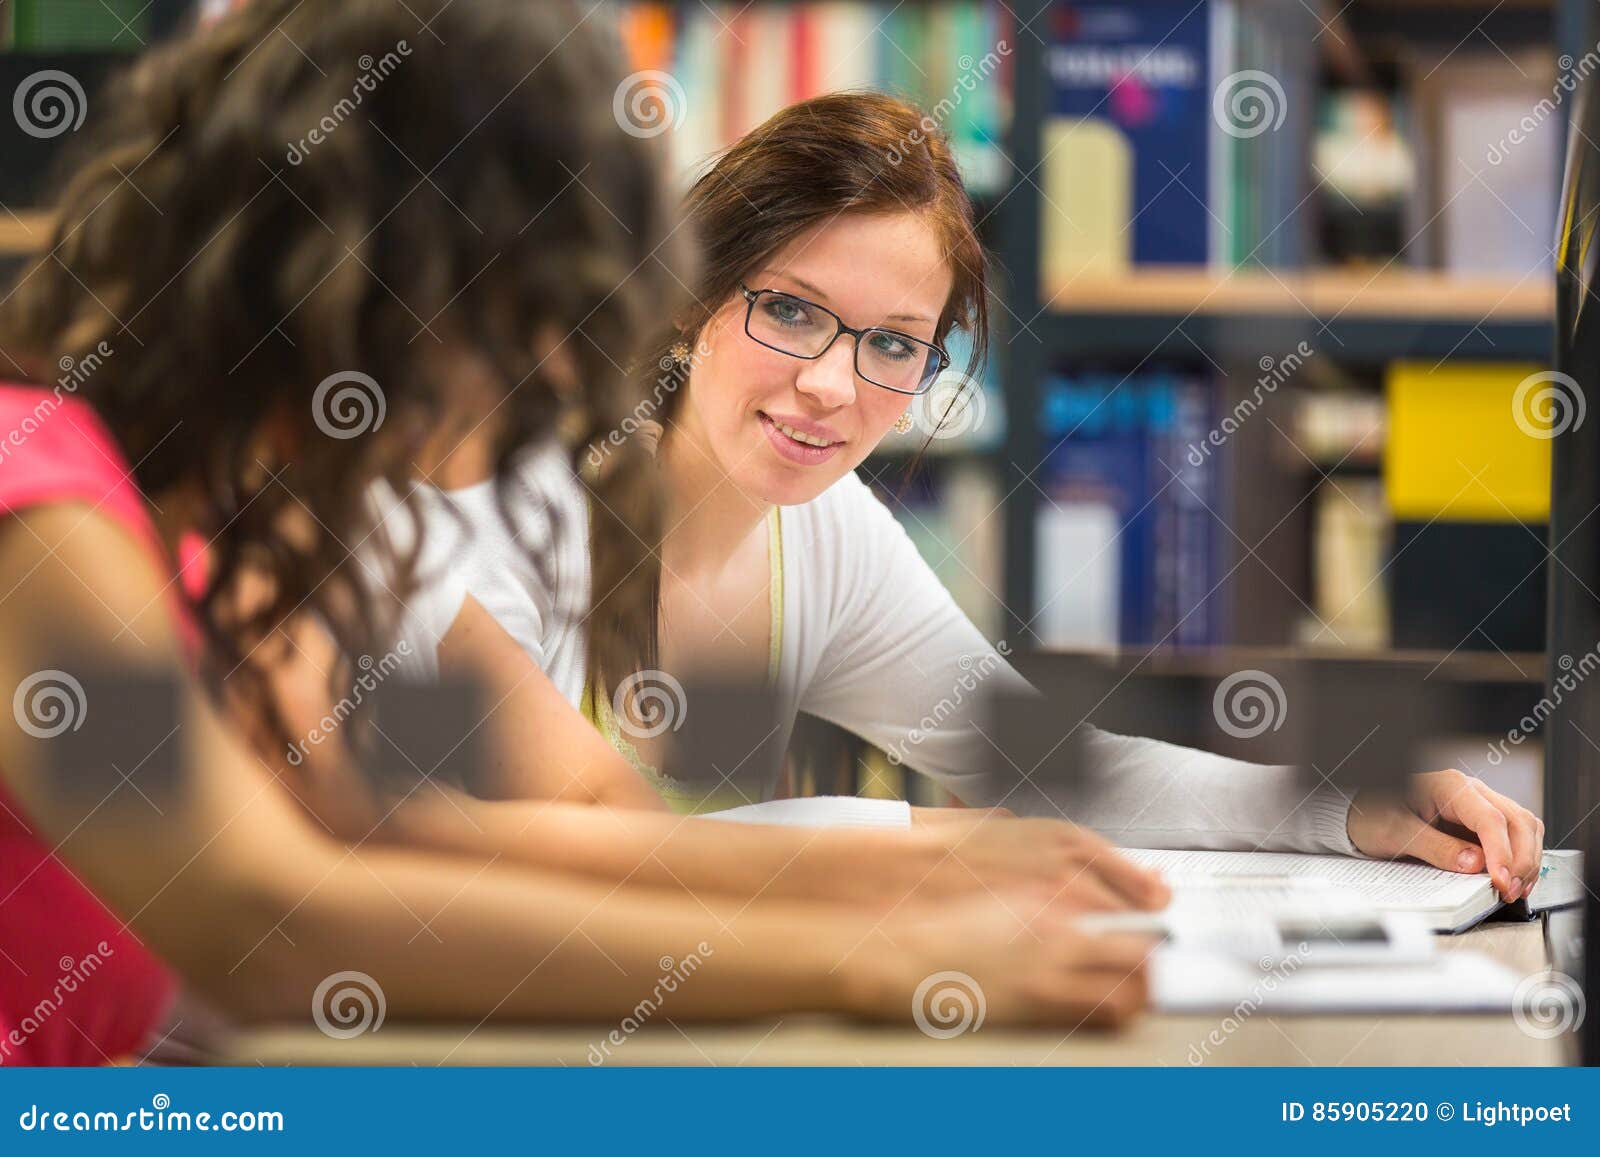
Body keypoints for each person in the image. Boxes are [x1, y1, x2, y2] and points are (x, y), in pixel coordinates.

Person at [0, 0, 1153, 1067]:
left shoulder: (240, 515)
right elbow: (269, 923)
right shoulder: (42, 505)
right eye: (534, 312)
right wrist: (873, 957)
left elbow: (400, 828)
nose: (560, 377)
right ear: (378, 280)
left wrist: (909, 871)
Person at [405, 90, 1545, 903]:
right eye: (791, 310)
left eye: (894, 344)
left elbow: (1050, 766)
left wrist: (1346, 809)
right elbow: (585, 846)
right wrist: (930, 839)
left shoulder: (827, 533)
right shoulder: (508, 509)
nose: (831, 384)